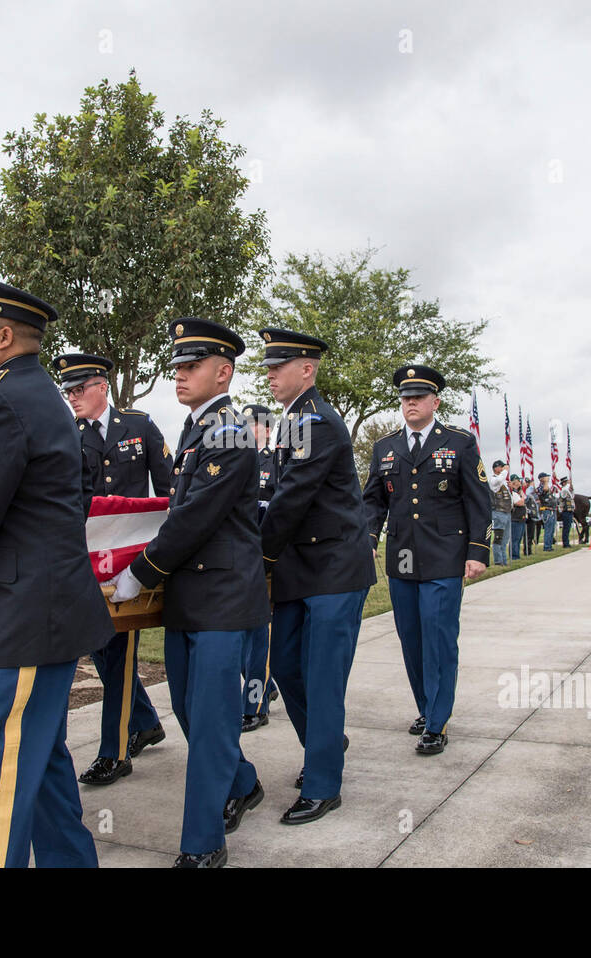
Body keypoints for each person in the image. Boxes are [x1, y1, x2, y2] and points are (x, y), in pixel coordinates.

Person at [0, 273, 112, 868]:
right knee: (40, 755)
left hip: (22, 613)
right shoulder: (43, 398)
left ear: (4, 335)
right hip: (46, 606)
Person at [107, 318, 266, 868]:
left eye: (191, 365)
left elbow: (195, 515)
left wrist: (141, 571)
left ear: (222, 371)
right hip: (189, 596)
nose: (179, 374)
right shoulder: (196, 429)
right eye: (177, 365)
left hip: (222, 597)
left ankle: (202, 844)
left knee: (213, 717)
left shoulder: (231, 430)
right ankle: (242, 781)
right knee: (191, 712)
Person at [259, 327, 376, 825]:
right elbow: (272, 492)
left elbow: (291, 499)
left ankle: (324, 782)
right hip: (298, 568)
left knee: (323, 677)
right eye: (267, 366)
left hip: (333, 568)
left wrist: (257, 557)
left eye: (277, 366)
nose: (268, 376)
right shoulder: (290, 421)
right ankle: (327, 741)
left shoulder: (320, 421)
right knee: (285, 667)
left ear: (307, 369)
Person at [53, 352, 170, 786]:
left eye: (79, 388)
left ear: (102, 386)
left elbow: (168, 489)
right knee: (101, 653)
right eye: (67, 390)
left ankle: (114, 751)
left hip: (128, 564)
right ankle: (144, 722)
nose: (72, 397)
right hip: (83, 560)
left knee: (118, 654)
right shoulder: (67, 432)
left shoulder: (138, 426)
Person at [362, 365, 491, 753]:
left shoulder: (459, 442)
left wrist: (477, 552)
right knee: (411, 640)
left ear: (435, 402)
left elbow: (478, 502)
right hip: (401, 557)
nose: (411, 402)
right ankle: (426, 707)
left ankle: (438, 721)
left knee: (438, 639)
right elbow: (373, 500)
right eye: (405, 397)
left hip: (444, 557)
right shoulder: (385, 447)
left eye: (418, 396)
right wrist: (367, 541)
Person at [240, 402, 279, 732]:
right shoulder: (233, 460)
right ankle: (267, 684)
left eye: (254, 424)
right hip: (233, 560)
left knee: (257, 639)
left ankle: (255, 705)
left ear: (267, 429)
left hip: (262, 560)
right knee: (237, 640)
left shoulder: (276, 462)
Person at [487, 460, 512, 566]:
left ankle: (504, 561)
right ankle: (498, 561)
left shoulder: (504, 483)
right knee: (498, 538)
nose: (503, 469)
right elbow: (498, 481)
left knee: (505, 539)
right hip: (498, 512)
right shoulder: (493, 480)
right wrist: (505, 471)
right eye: (501, 467)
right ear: (496, 468)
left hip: (506, 512)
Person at [535, 474, 558, 551]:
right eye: (546, 477)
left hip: (552, 510)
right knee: (548, 529)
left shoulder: (547, 487)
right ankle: (547, 547)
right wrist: (545, 482)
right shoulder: (540, 487)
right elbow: (544, 489)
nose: (548, 478)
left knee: (551, 529)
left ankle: (549, 545)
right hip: (547, 510)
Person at [508, 476, 527, 559]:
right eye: (518, 481)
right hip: (515, 518)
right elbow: (520, 503)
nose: (520, 483)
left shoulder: (518, 493)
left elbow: (524, 499)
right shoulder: (513, 493)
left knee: (519, 538)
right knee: (515, 539)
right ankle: (514, 556)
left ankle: (517, 555)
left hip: (521, 519)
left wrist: (521, 492)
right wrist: (522, 496)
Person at [523, 481, 538, 555]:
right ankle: (527, 550)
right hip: (527, 516)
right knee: (527, 535)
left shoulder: (532, 493)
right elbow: (526, 497)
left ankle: (529, 549)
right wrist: (531, 487)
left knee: (531, 535)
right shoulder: (525, 491)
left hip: (532, 515)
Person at [558, 482, 575, 548]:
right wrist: (570, 489)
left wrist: (572, 490)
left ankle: (566, 542)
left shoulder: (567, 490)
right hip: (566, 511)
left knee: (568, 527)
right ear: (564, 483)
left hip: (570, 510)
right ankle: (565, 543)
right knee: (566, 528)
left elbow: (572, 496)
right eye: (567, 482)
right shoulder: (564, 490)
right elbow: (565, 494)